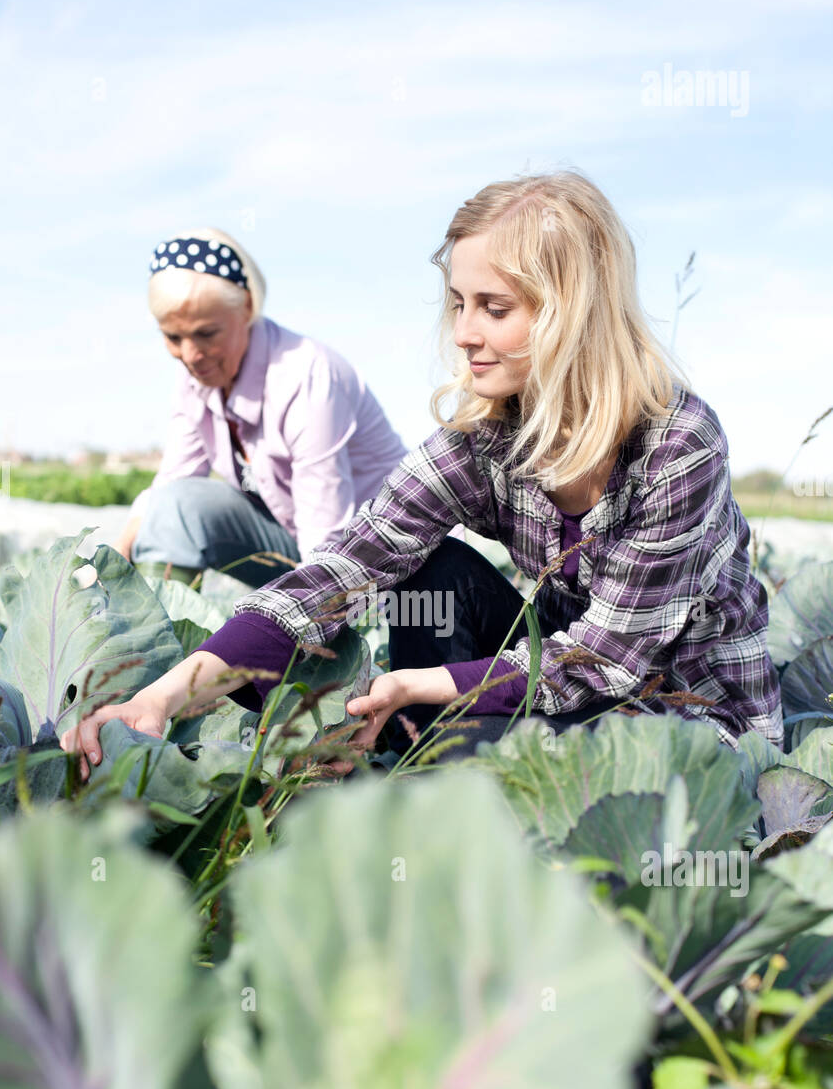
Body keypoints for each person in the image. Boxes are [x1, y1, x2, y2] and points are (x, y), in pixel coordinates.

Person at [64, 172, 784, 779]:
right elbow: (347, 563)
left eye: (494, 308)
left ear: (575, 314)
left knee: (485, 762)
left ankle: (425, 753)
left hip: (687, 716)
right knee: (425, 570)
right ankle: (414, 748)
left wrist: (419, 685)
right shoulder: (487, 435)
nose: (465, 332)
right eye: (459, 304)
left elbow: (608, 660)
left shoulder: (676, 445)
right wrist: (164, 695)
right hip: (560, 684)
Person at [112, 228, 409, 587]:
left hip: (383, 554)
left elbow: (326, 532)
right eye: (174, 338)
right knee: (176, 505)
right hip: (294, 537)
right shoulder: (196, 376)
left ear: (248, 308)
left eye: (206, 334)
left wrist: (295, 626)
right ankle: (158, 639)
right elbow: (173, 485)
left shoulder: (307, 376)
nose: (190, 355)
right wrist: (116, 562)